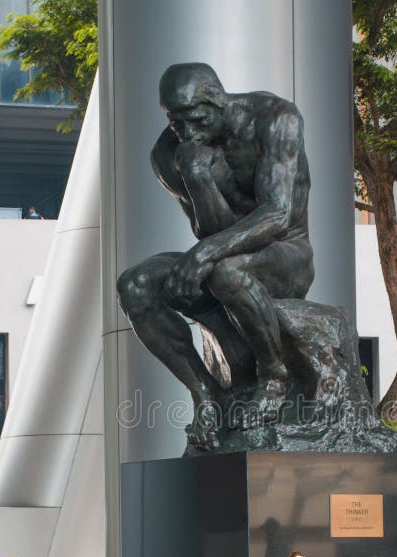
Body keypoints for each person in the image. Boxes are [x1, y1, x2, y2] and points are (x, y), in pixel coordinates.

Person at [117, 63, 314, 448]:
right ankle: (207, 395)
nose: (187, 132)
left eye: (194, 119)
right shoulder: (168, 154)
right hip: (223, 254)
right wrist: (198, 177)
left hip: (286, 253)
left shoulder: (275, 118)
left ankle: (273, 377)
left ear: (217, 100)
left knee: (223, 269)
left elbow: (277, 213)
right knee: (135, 285)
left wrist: (205, 254)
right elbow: (208, 231)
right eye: (177, 123)